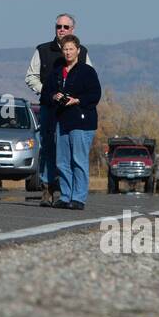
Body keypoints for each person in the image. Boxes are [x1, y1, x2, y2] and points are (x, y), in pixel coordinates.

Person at [24, 13, 91, 207]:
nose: (61, 30)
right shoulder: (43, 50)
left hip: (73, 111)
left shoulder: (83, 52)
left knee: (71, 151)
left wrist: (76, 99)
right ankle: (47, 188)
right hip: (48, 108)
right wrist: (48, 92)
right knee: (48, 147)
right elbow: (31, 76)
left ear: (73, 30)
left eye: (65, 27)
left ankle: (70, 193)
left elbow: (90, 80)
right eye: (58, 26)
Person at [43, 34, 100, 210]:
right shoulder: (56, 71)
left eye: (71, 49)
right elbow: (46, 93)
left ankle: (79, 198)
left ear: (78, 50)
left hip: (82, 121)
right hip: (62, 120)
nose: (68, 52)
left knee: (78, 160)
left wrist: (77, 100)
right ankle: (66, 196)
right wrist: (55, 95)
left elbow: (95, 95)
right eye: (65, 49)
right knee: (62, 161)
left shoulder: (87, 71)